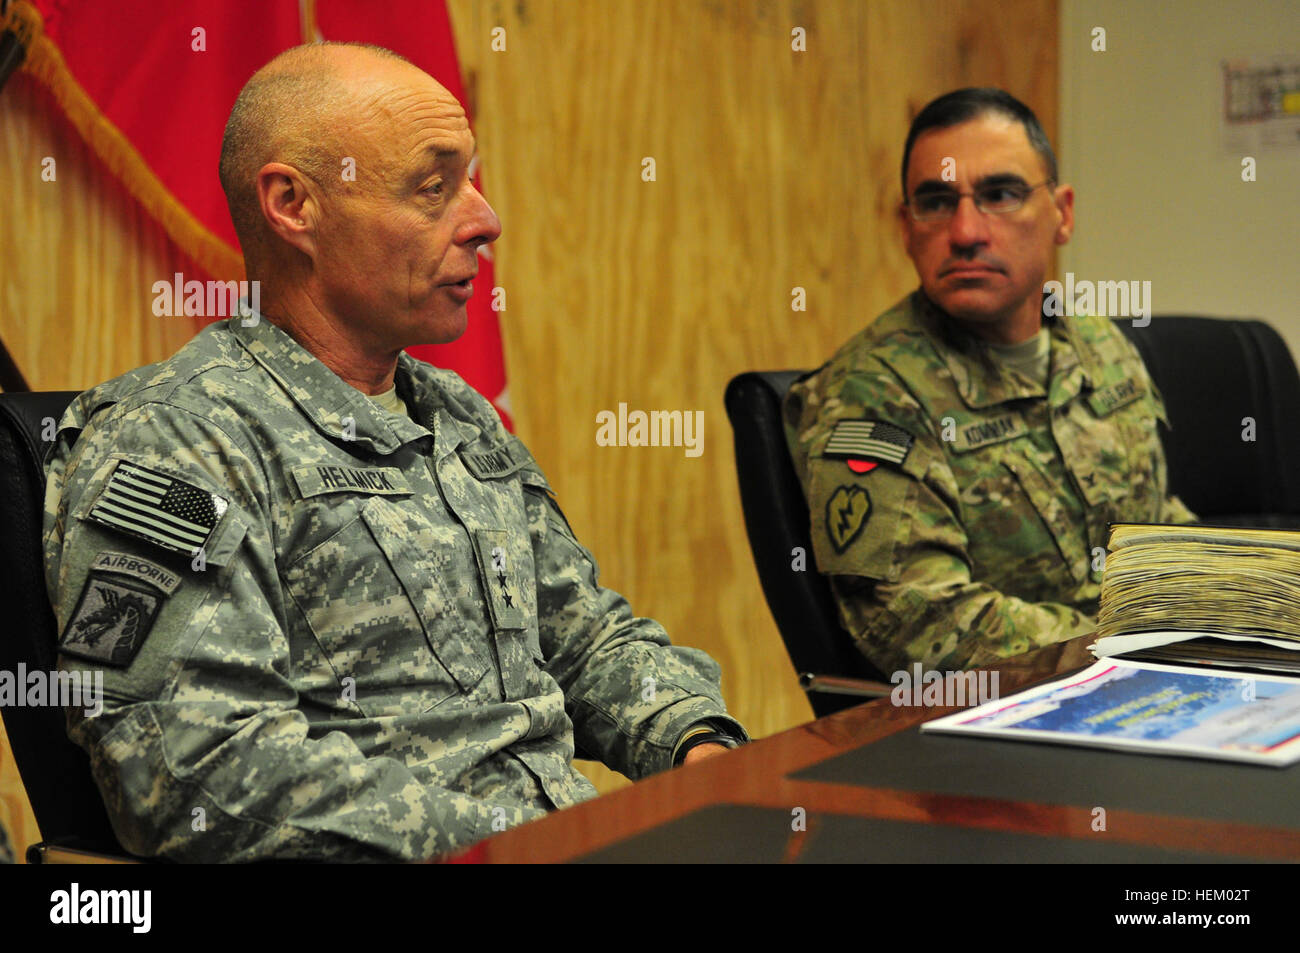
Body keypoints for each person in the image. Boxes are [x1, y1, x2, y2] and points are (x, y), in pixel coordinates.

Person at [43, 42, 746, 863]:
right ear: (293, 206)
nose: (484, 220)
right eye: (433, 186)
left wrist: (699, 748)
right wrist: (535, 840)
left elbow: (586, 638)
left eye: (471, 180)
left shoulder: (456, 416)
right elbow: (195, 769)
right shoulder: (180, 440)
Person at [785, 88, 1195, 677]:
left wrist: (1237, 595)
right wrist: (1141, 639)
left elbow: (1156, 519)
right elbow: (922, 625)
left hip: (1152, 680)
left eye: (1000, 194)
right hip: (1000, 729)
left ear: (1062, 213)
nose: (966, 231)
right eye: (936, 202)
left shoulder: (1099, 344)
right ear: (906, 228)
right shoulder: (872, 394)